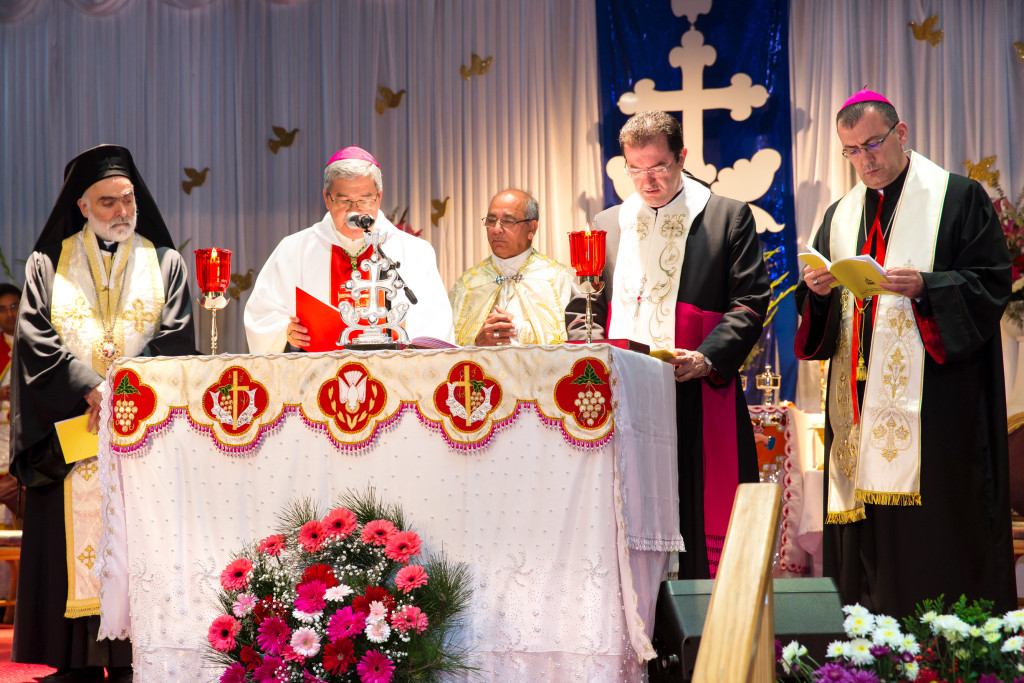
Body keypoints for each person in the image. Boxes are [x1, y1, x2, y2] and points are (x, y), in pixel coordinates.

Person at [795, 89, 1015, 618]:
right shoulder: (840, 215)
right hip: (857, 410)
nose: (864, 160)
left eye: (873, 144)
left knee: (934, 539)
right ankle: (864, 650)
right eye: (852, 151)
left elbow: (991, 285)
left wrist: (928, 287)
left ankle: (941, 646)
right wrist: (817, 292)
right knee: (864, 545)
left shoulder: (957, 199)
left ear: (901, 133)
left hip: (936, 412)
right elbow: (821, 323)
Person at [10, 144, 196, 682]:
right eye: (108, 202)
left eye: (128, 199)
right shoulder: (49, 264)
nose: (121, 211)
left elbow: (176, 337)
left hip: (142, 425)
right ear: (83, 206)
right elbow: (34, 339)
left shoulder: (165, 262)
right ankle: (76, 663)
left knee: (140, 536)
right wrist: (89, 386)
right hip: (75, 426)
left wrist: (126, 389)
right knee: (74, 536)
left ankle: (140, 656)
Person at [566, 110, 770, 579]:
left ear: (681, 157)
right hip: (624, 400)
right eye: (635, 168)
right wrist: (592, 357)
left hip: (695, 391)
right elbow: (582, 306)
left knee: (697, 514)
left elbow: (749, 303)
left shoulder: (726, 216)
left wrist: (707, 357)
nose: (647, 180)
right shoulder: (608, 223)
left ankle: (702, 619)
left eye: (658, 166)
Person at [244, 146, 453, 352]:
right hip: (319, 371)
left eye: (364, 200)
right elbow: (262, 316)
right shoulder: (293, 251)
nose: (355, 211)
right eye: (344, 201)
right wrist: (287, 332)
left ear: (379, 197)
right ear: (327, 199)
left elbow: (434, 322)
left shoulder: (415, 252)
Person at [448, 189, 575, 346]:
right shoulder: (468, 283)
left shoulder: (558, 278)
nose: (496, 229)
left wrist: (516, 333)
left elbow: (575, 344)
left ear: (532, 228)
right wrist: (475, 343)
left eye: (508, 221)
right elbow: (447, 346)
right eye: (491, 220)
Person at [0, 282, 24, 517]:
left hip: (28, 439)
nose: (10, 314)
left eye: (14, 306)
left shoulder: (39, 346)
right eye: (3, 309)